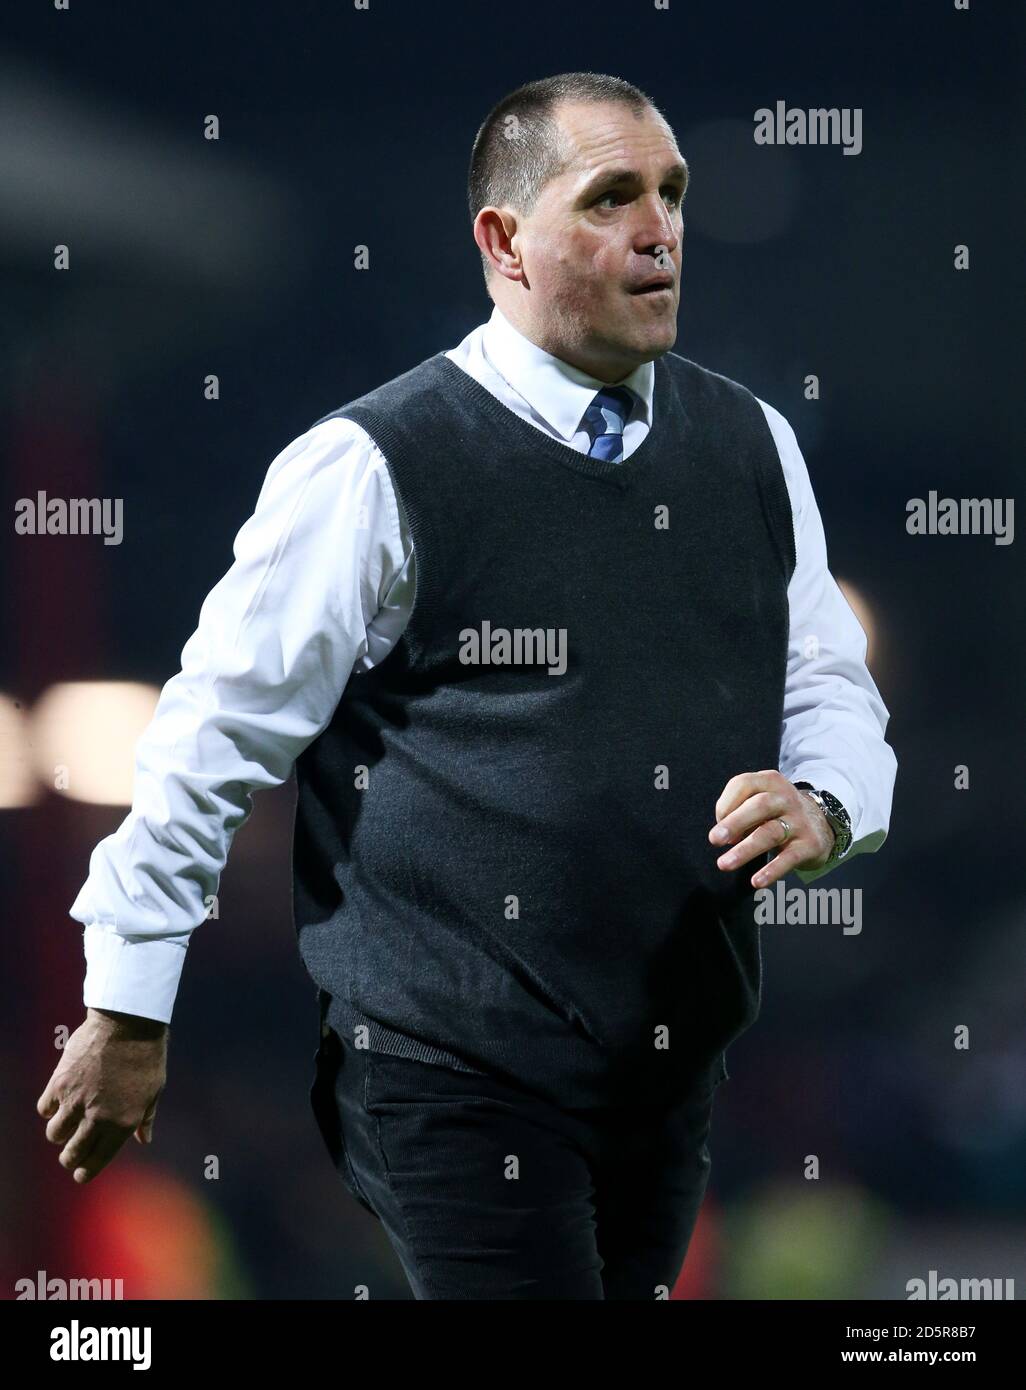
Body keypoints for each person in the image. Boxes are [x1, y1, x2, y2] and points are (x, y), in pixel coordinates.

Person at [36, 71, 897, 1299]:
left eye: (671, 193)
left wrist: (826, 799)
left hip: (667, 1058)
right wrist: (126, 1007)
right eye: (611, 198)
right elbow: (206, 740)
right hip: (447, 1066)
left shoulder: (754, 443)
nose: (660, 229)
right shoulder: (369, 466)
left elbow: (829, 683)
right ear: (503, 241)